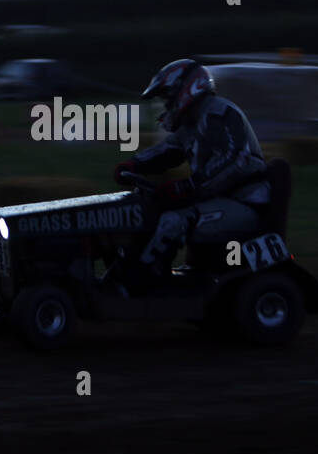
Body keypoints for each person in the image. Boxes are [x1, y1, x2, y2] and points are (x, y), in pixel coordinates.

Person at [112, 58, 269, 289]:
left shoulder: (220, 113)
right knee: (148, 206)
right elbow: (168, 150)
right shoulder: (192, 123)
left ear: (185, 90)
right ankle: (131, 270)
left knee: (174, 219)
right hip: (220, 200)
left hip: (245, 201)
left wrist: (186, 187)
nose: (166, 106)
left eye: (167, 98)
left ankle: (143, 281)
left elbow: (235, 162)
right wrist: (133, 164)